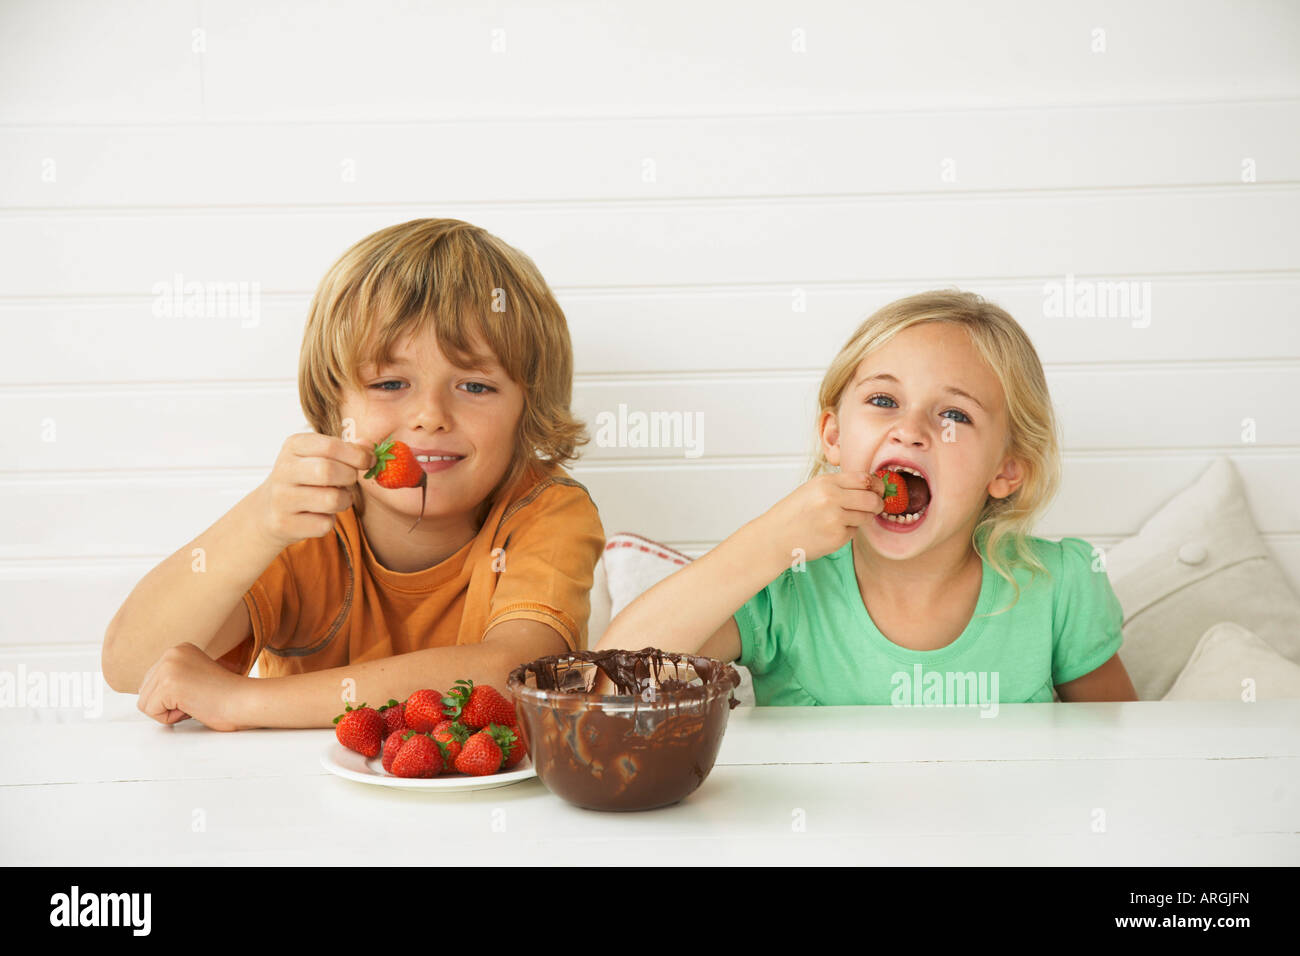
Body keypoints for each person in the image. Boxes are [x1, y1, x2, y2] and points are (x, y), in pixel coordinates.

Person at [103, 218, 605, 729]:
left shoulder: (546, 510)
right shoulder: (303, 527)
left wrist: (242, 702)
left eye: (475, 387)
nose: (429, 415)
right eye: (390, 383)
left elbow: (514, 673)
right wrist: (259, 521)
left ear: (529, 409)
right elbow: (130, 665)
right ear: (331, 402)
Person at [594, 289, 1138, 707]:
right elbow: (606, 675)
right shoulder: (785, 589)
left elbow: (1124, 753)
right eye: (883, 399)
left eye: (954, 414)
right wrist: (771, 539)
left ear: (1008, 468)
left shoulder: (1060, 588)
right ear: (833, 436)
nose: (910, 430)